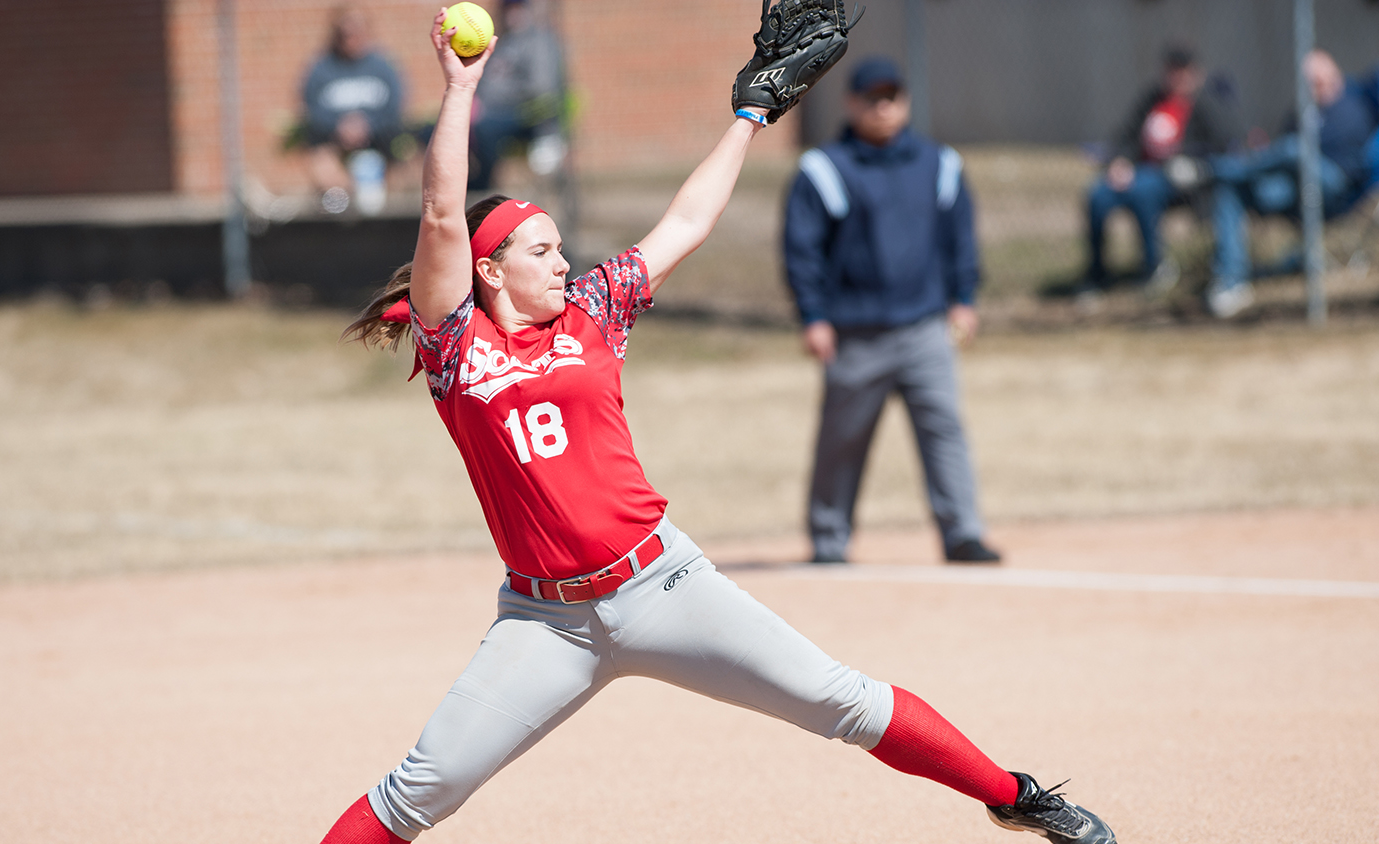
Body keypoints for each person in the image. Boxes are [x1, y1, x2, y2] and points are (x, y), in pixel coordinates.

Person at [319, 11, 1116, 844]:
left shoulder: (592, 313)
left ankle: (1016, 795)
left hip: (664, 586)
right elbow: (444, 215)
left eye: (561, 248)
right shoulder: (456, 344)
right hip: (544, 623)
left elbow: (688, 221)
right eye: (541, 251)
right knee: (419, 791)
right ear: (489, 270)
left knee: (839, 698)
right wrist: (461, 89)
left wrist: (751, 118)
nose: (564, 262)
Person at [783, 56, 1001, 566]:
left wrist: (963, 300)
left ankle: (962, 532)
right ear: (852, 103)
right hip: (856, 332)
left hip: (925, 325)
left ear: (905, 101)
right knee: (843, 439)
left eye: (892, 97)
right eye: (872, 98)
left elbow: (959, 241)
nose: (883, 107)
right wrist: (813, 316)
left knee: (944, 429)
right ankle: (829, 539)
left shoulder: (939, 164)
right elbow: (802, 250)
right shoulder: (825, 168)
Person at [1204, 50, 1379, 318]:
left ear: (1333, 76)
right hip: (1297, 190)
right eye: (1308, 81)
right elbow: (1280, 153)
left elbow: (1295, 149)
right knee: (1232, 190)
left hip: (1336, 185)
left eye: (1317, 80)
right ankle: (1231, 283)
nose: (1312, 86)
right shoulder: (1302, 111)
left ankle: (1217, 169)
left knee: (1294, 149)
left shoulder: (1354, 105)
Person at [1081, 46, 1238, 294]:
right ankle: (1096, 274)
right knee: (1097, 196)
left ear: (1195, 74)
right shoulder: (1152, 99)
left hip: (1177, 180)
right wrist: (1120, 161)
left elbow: (1223, 144)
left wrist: (1186, 158)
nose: (1176, 77)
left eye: (1183, 71)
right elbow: (1126, 135)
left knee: (1144, 191)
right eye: (1172, 71)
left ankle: (1154, 266)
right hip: (1139, 171)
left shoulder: (1205, 105)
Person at [299, 5, 407, 214]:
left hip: (379, 143)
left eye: (355, 32)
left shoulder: (383, 67)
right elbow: (311, 110)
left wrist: (368, 126)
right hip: (334, 144)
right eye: (344, 34)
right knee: (320, 161)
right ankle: (343, 208)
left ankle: (380, 208)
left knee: (406, 157)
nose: (350, 38)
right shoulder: (321, 69)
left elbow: (395, 108)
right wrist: (339, 127)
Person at [467, 0, 567, 190]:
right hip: (492, 113)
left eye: (517, 9)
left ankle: (482, 185)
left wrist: (495, 103)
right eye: (508, 10)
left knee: (484, 128)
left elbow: (541, 88)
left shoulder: (539, 41)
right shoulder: (503, 41)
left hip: (527, 116)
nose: (512, 15)